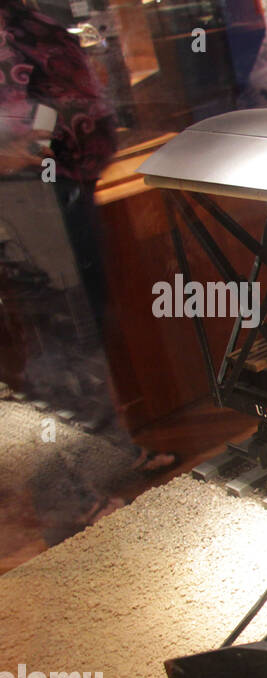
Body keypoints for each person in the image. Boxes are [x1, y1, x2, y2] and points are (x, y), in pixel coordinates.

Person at [1, 0, 173, 535]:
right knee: (60, 337)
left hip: (59, 187)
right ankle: (65, 501)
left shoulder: (25, 17)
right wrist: (30, 141)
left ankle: (109, 453)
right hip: (29, 195)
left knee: (85, 326)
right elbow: (15, 126)